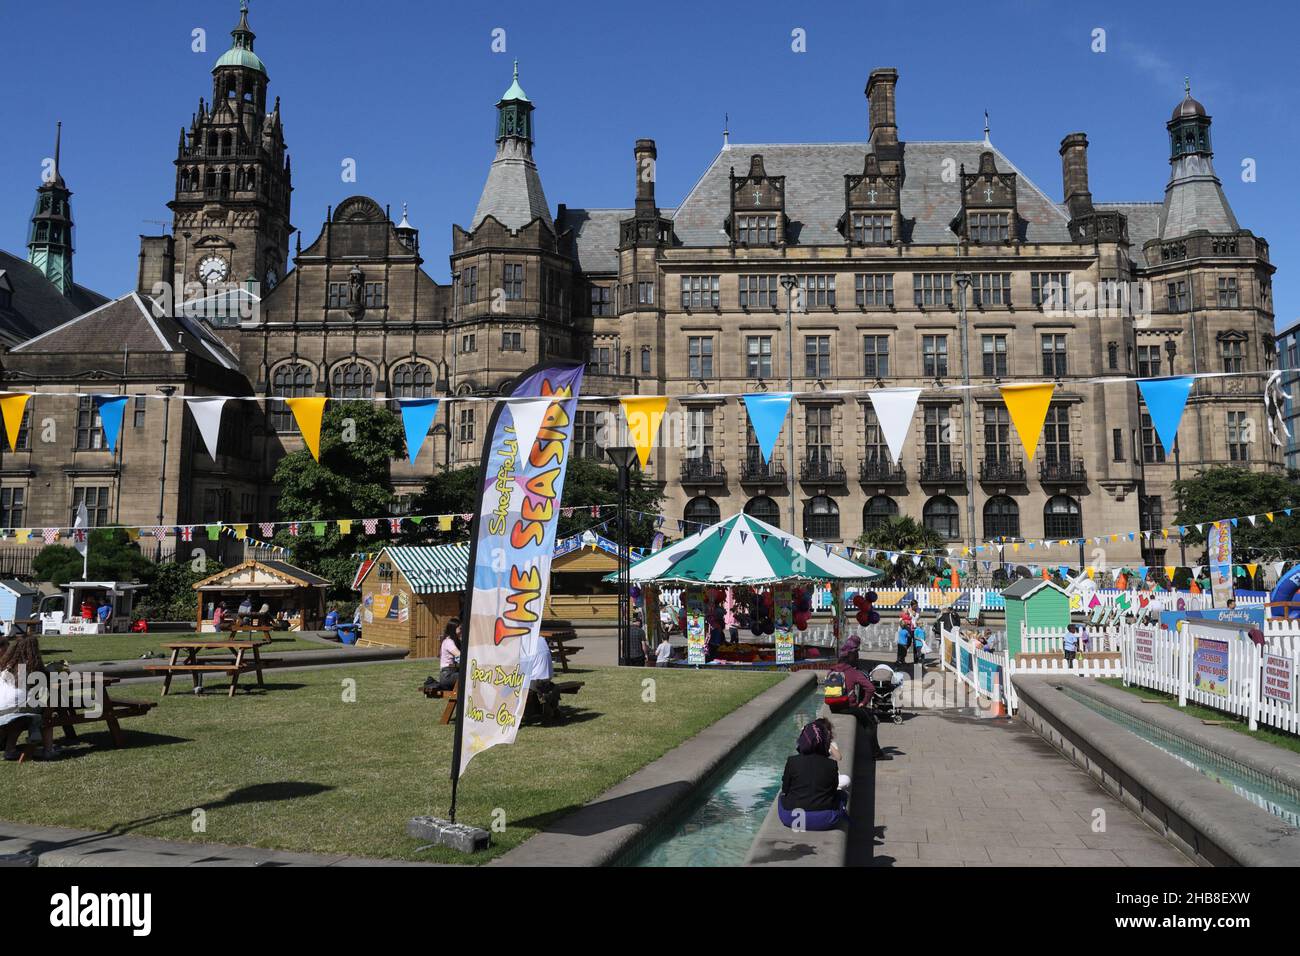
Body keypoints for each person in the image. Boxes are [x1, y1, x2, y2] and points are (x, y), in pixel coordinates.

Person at [778, 718, 849, 830]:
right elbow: (833, 791)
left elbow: (785, 789)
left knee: (781, 796)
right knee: (843, 795)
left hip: (791, 818)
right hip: (826, 820)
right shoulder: (831, 764)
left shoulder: (792, 761)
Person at [825, 636, 888, 759]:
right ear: (851, 657)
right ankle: (877, 754)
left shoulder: (831, 670)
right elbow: (870, 688)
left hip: (833, 706)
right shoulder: (852, 672)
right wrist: (863, 702)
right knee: (870, 723)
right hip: (848, 707)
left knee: (865, 714)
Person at [1, 636, 58, 761]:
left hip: (3, 710)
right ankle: (48, 750)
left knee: (21, 714)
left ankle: (10, 750)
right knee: (47, 711)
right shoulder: (32, 667)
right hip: (17, 711)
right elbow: (48, 686)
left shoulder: (6, 666)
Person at [437, 618, 462, 690]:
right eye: (460, 628)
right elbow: (460, 655)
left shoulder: (453, 641)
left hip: (451, 672)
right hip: (447, 676)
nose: (461, 630)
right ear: (454, 629)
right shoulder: (449, 642)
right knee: (469, 676)